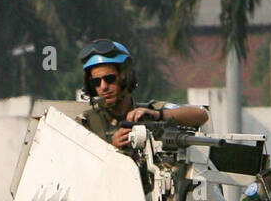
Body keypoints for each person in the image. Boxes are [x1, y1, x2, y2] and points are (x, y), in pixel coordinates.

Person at [77, 39, 209, 150]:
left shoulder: (151, 110)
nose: (103, 87)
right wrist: (112, 148)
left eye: (110, 79)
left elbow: (201, 115)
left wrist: (158, 115)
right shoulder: (85, 122)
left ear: (125, 78)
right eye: (96, 82)